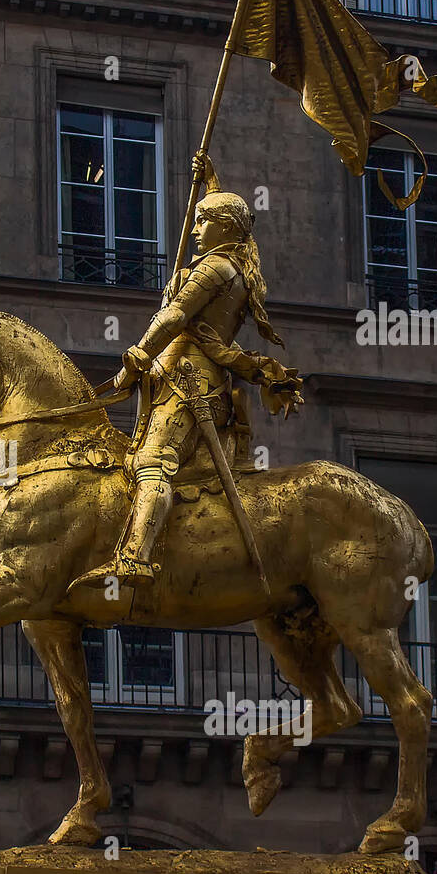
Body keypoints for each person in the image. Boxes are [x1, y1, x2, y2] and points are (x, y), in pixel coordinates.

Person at [74, 152, 303, 589]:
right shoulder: (229, 263)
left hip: (190, 384)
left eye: (204, 222)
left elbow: (177, 315)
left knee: (152, 463)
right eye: (196, 222)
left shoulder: (217, 267)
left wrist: (138, 354)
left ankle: (135, 559)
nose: (195, 229)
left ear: (225, 229)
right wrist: (210, 181)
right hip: (178, 378)